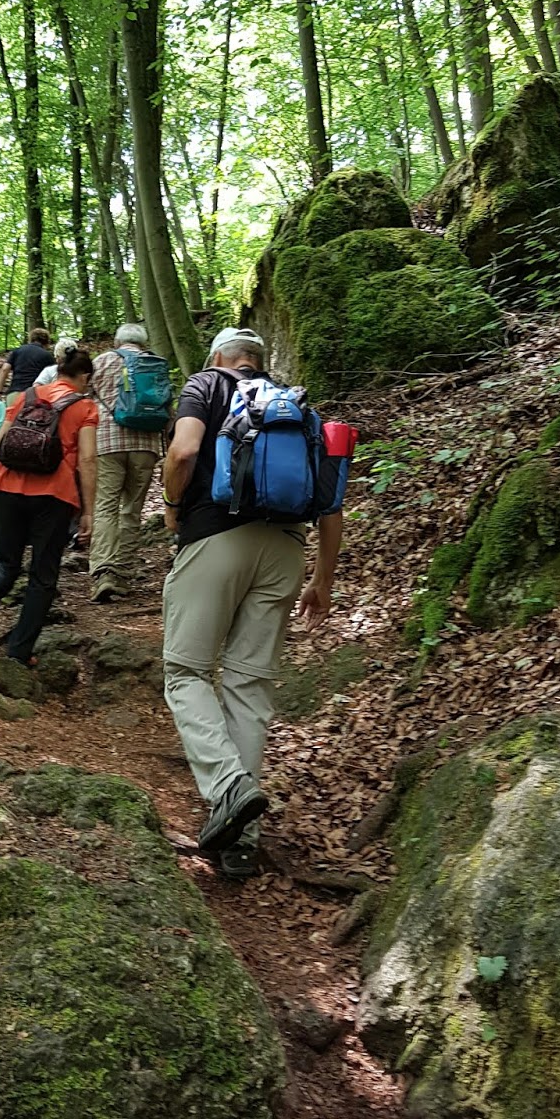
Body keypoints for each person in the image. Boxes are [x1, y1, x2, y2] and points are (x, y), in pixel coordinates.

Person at [160, 327, 343, 880]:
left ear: (219, 357)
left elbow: (185, 449)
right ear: (262, 361)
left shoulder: (205, 385)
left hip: (216, 541)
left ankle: (228, 787)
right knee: (248, 682)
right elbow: (331, 504)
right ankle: (243, 838)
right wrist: (323, 581)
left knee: (186, 670)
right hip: (286, 550)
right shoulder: (298, 408)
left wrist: (171, 503)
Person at [0, 348, 98, 665]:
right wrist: (88, 511)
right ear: (84, 377)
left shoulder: (26, 395)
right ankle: (19, 652)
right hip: (54, 496)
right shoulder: (85, 407)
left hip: (7, 488)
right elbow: (89, 461)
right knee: (42, 576)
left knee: (5, 561)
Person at [88, 323, 165, 603]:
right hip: (146, 445)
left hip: (108, 441)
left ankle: (103, 571)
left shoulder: (103, 361)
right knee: (132, 509)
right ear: (142, 343)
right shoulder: (154, 362)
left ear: (117, 341)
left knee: (106, 506)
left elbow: (85, 398)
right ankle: (122, 574)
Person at [0, 328, 54, 406]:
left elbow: (5, 369)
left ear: (31, 339)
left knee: (11, 417)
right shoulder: (47, 356)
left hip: (14, 394)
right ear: (47, 341)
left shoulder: (18, 351)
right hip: (35, 396)